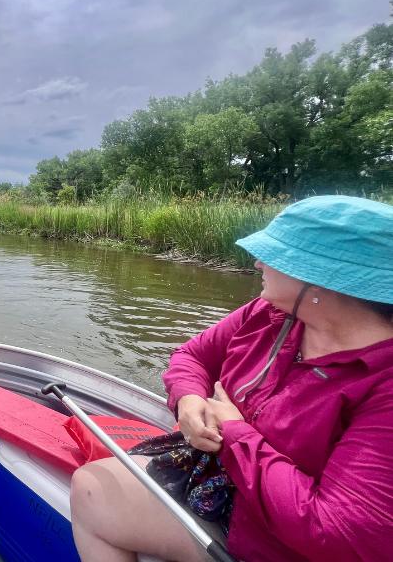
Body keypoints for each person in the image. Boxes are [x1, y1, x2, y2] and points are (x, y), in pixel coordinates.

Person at [69, 195, 393, 561]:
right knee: (96, 481)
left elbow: (337, 533)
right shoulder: (268, 314)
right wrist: (189, 397)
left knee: (91, 491)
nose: (258, 263)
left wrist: (235, 433)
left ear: (319, 282)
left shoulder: (384, 387)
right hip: (223, 484)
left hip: (275, 541)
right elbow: (191, 356)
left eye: (275, 256)